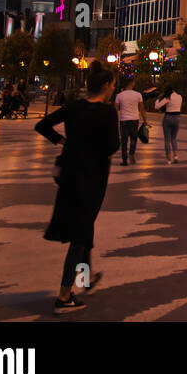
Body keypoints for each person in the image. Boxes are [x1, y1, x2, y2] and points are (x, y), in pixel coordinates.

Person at [35, 63, 120, 315]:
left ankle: (87, 278)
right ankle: (64, 295)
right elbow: (112, 146)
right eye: (113, 84)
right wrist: (94, 151)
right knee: (80, 234)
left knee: (84, 227)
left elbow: (42, 125)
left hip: (70, 176)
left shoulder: (74, 107)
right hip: (92, 178)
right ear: (105, 86)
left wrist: (64, 141)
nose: (113, 88)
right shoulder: (107, 113)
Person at [114, 78, 148, 166]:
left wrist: (115, 121)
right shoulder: (138, 95)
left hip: (124, 120)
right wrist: (145, 120)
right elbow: (142, 108)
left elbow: (115, 109)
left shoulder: (119, 95)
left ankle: (124, 160)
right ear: (131, 84)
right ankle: (131, 153)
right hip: (134, 119)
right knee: (133, 139)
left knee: (124, 140)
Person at [154, 85, 182, 163]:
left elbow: (157, 107)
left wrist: (158, 99)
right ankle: (176, 156)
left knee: (167, 139)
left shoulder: (167, 98)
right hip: (177, 118)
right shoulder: (180, 97)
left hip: (168, 117)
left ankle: (168, 159)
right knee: (174, 138)